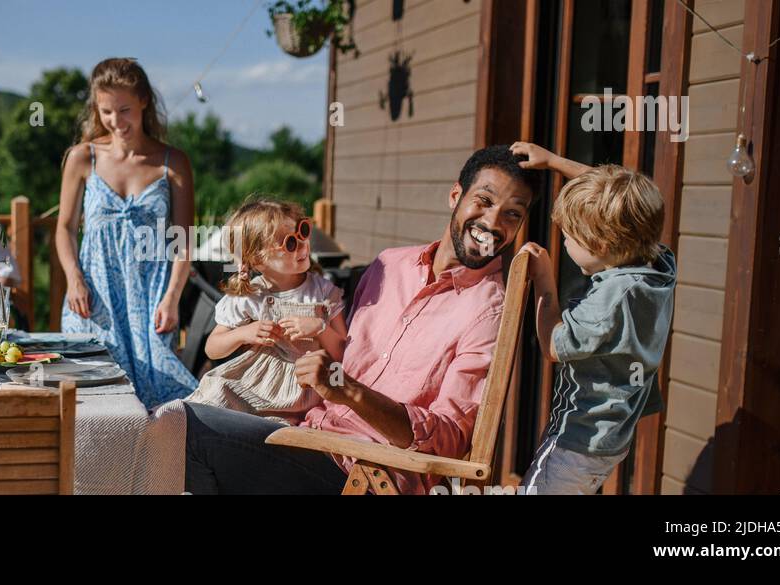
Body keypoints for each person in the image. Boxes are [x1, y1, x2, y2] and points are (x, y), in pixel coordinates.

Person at [182, 145, 538, 494]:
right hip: (306, 437)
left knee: (187, 431)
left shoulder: (487, 311)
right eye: (484, 201)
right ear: (455, 196)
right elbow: (341, 352)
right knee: (179, 421)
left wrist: (348, 391)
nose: (492, 223)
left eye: (512, 214)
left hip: (365, 475)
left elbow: (448, 440)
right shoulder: (389, 265)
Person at [513, 142, 675, 495]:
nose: (565, 243)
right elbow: (632, 207)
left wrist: (544, 282)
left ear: (598, 244)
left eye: (568, 237)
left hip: (578, 440)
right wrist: (555, 162)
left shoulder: (609, 300)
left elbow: (554, 344)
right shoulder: (656, 267)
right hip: (609, 437)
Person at [55, 57, 198, 407]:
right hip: (92, 298)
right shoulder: (82, 158)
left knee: (161, 402)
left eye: (124, 109)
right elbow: (65, 228)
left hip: (151, 300)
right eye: (106, 112)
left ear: (144, 101)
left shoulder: (173, 162)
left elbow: (183, 241)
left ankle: (156, 464)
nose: (116, 122)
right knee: (90, 399)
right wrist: (74, 277)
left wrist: (173, 297)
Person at [185, 198, 347, 424]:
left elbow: (343, 352)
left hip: (305, 387)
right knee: (213, 396)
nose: (302, 244)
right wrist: (244, 333)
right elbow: (213, 349)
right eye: (290, 243)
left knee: (273, 427)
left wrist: (319, 328)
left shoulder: (323, 292)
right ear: (257, 259)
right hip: (257, 382)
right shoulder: (252, 295)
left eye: (303, 230)